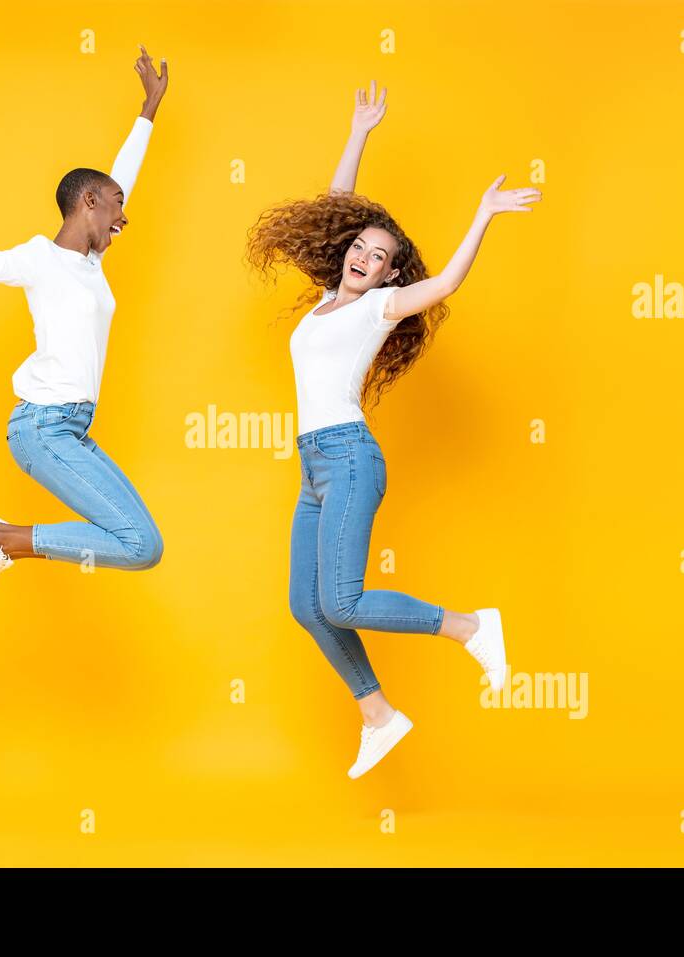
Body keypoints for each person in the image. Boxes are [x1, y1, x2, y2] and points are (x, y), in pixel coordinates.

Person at [245, 81, 541, 778]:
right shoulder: (325, 299)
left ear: (388, 273)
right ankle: (378, 713)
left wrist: (483, 215)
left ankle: (472, 627)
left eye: (379, 256)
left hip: (348, 458)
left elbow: (443, 289)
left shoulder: (379, 308)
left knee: (341, 600)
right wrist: (359, 132)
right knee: (307, 605)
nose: (363, 257)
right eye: (360, 247)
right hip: (313, 465)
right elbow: (337, 206)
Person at [0, 45, 169, 602]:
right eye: (115, 205)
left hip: (72, 429)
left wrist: (149, 110)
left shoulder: (91, 264)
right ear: (87, 203)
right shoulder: (40, 258)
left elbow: (123, 178)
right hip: (42, 427)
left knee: (145, 545)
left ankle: (1, 539)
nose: (125, 214)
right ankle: (0, 538)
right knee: (137, 542)